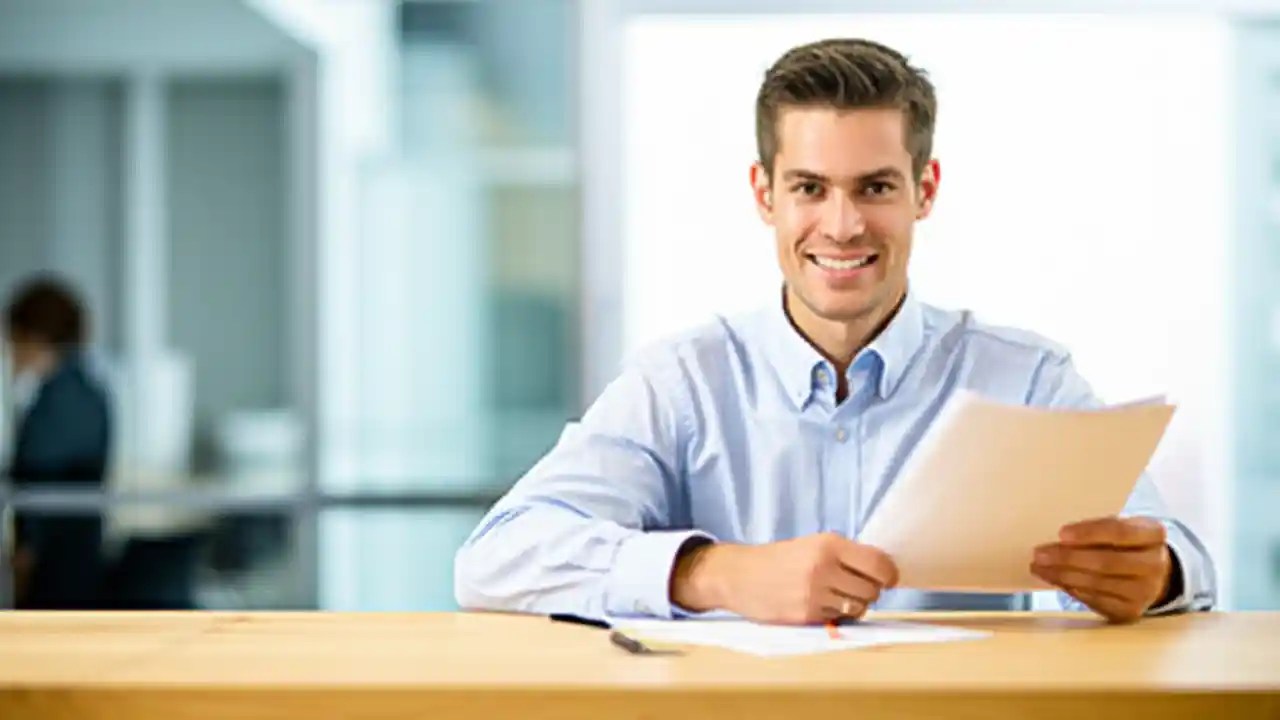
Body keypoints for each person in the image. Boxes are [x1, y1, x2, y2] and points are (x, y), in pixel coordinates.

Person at [454, 38, 1215, 624]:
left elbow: (1176, 550)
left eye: (875, 188)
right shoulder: (682, 383)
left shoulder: (1028, 379)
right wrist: (715, 573)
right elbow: (497, 558)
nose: (843, 226)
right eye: (810, 189)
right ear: (765, 195)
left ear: (925, 190)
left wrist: (1158, 576)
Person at [4, 276, 112, 608]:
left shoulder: (51, 405)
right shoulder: (93, 393)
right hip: (83, 554)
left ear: (34, 339)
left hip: (51, 564)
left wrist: (26, 551)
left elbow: (37, 482)